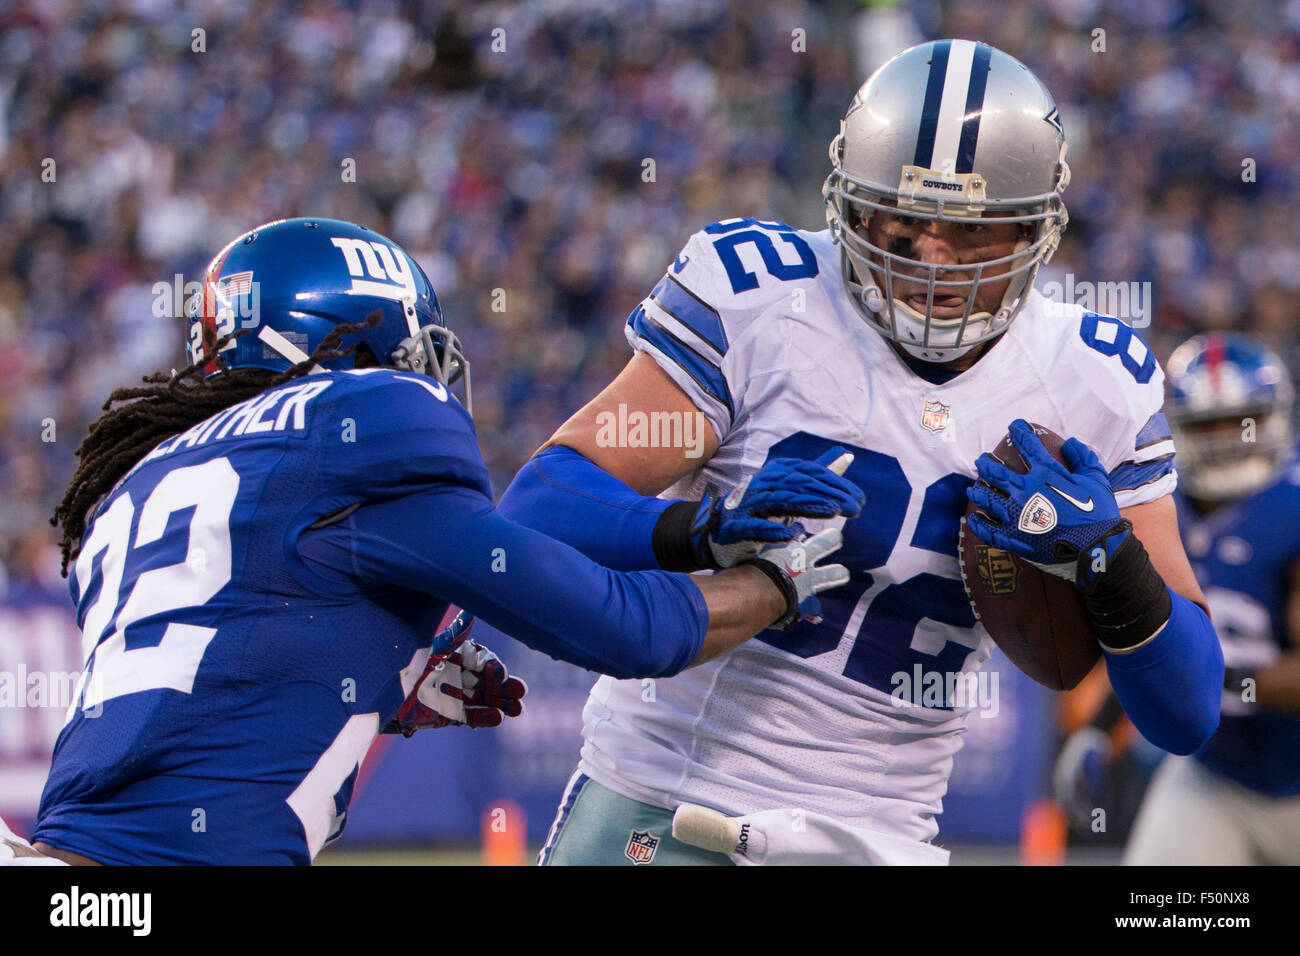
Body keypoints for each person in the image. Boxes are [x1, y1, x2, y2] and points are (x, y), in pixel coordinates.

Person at [497, 39, 1223, 866]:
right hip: (667, 803)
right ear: (847, 202)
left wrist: (1110, 563)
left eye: (970, 231)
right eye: (901, 222)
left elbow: (1189, 711)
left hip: (878, 834)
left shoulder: (1092, 380)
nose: (931, 260)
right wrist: (701, 531)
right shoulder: (763, 299)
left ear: (1036, 229)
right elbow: (540, 505)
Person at [10, 217, 862, 866]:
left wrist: (372, 667)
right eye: (411, 349)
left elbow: (229, 655)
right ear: (353, 348)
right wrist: (779, 579)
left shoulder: (141, 476)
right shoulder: (359, 430)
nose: (426, 374)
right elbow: (628, 628)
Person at [1116, 333, 1300, 864]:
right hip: (1217, 776)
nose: (1224, 439)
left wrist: (1216, 676)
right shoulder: (1155, 506)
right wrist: (1101, 735)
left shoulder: (1290, 508)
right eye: (1206, 425)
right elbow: (1146, 638)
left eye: (1240, 421)